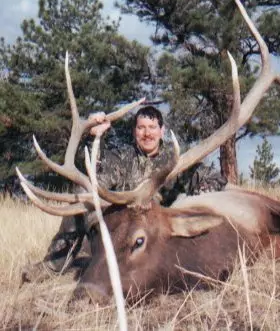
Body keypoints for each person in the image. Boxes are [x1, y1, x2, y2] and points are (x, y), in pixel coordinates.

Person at [22, 106, 227, 282]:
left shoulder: (176, 162)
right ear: (134, 131)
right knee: (83, 195)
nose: (147, 133)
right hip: (120, 230)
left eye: (152, 127)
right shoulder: (122, 157)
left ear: (162, 131)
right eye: (141, 128)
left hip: (154, 236)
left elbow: (216, 179)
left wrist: (182, 203)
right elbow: (97, 178)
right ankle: (54, 264)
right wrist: (96, 138)